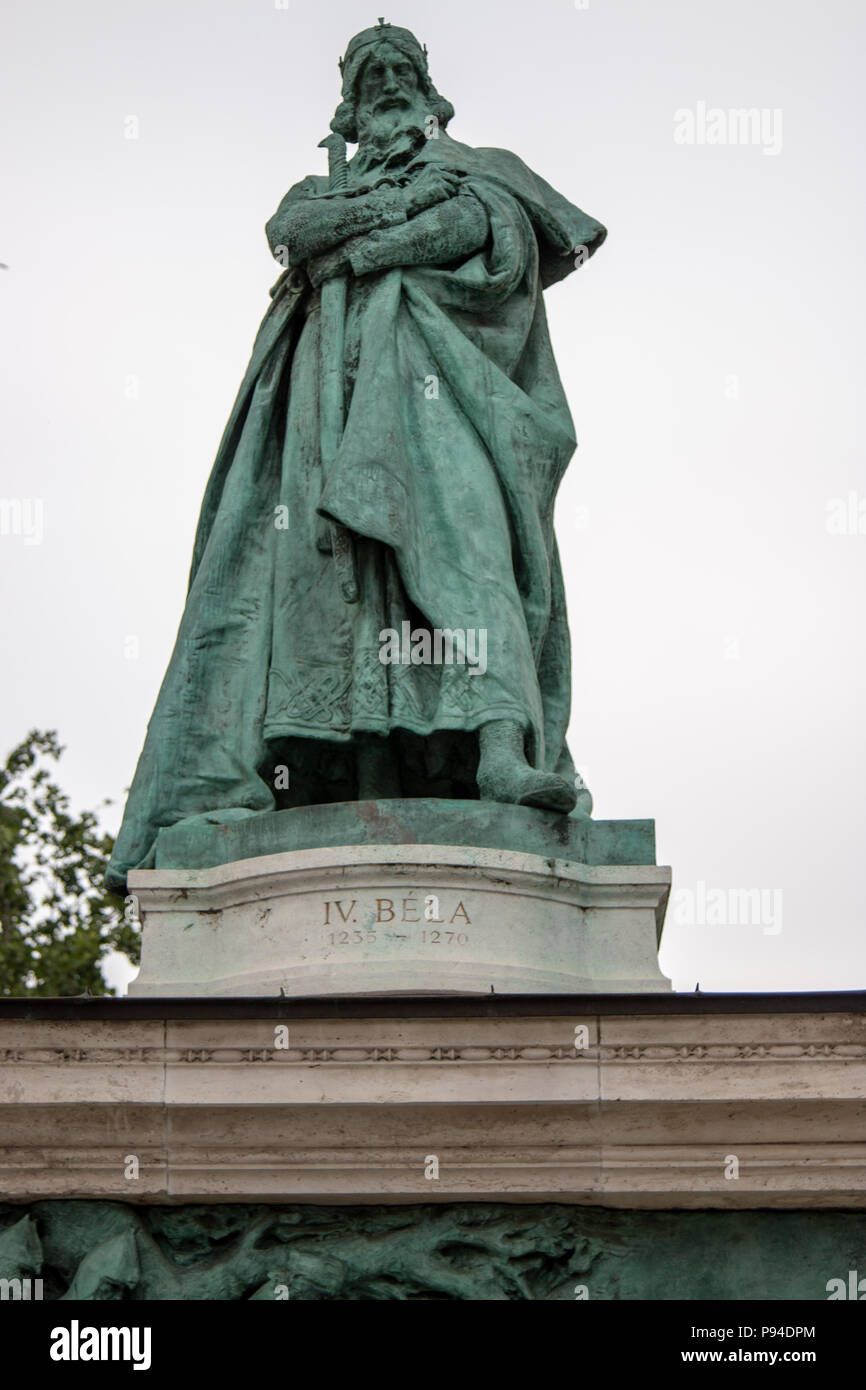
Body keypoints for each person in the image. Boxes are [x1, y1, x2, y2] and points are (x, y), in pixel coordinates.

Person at [106, 21, 606, 894]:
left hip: (444, 399)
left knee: (469, 555)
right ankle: (336, 774)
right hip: (319, 410)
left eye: (399, 68)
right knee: (325, 594)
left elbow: (472, 231)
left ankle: (500, 751)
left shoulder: (480, 169)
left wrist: (367, 244)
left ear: (427, 87)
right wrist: (375, 221)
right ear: (347, 102)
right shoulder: (316, 186)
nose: (384, 82)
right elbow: (294, 229)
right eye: (368, 73)